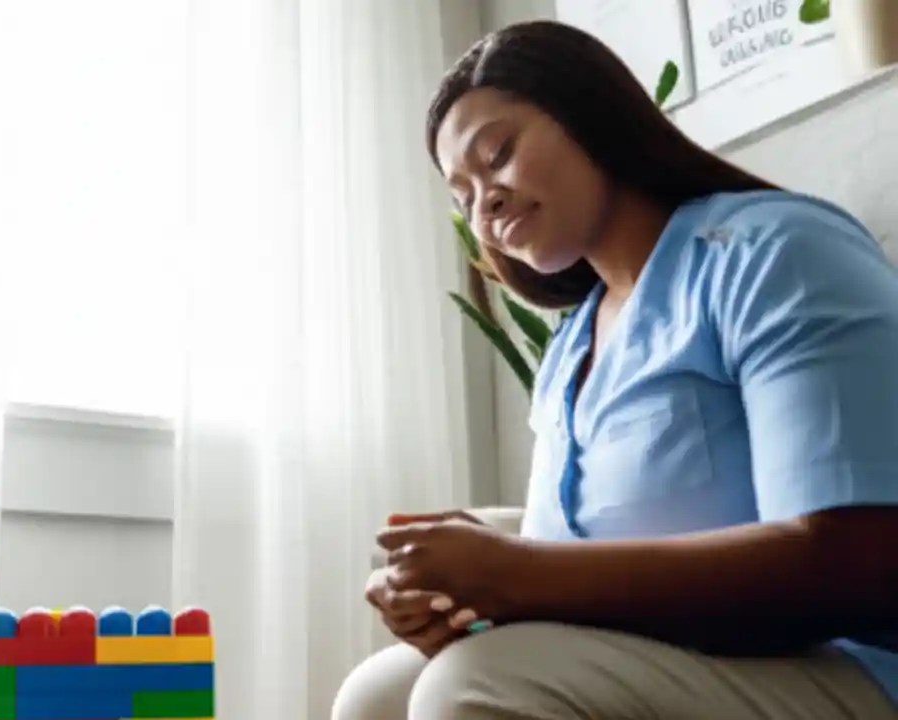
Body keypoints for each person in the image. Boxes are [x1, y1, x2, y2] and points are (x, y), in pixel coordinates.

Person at [333, 20, 898, 720]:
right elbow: (568, 565)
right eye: (464, 195)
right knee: (377, 694)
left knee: (475, 683)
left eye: (499, 155)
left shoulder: (772, 253)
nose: (487, 203)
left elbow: (854, 558)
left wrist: (515, 572)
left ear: (588, 114)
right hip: (673, 659)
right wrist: (462, 591)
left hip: (844, 667)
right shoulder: (572, 347)